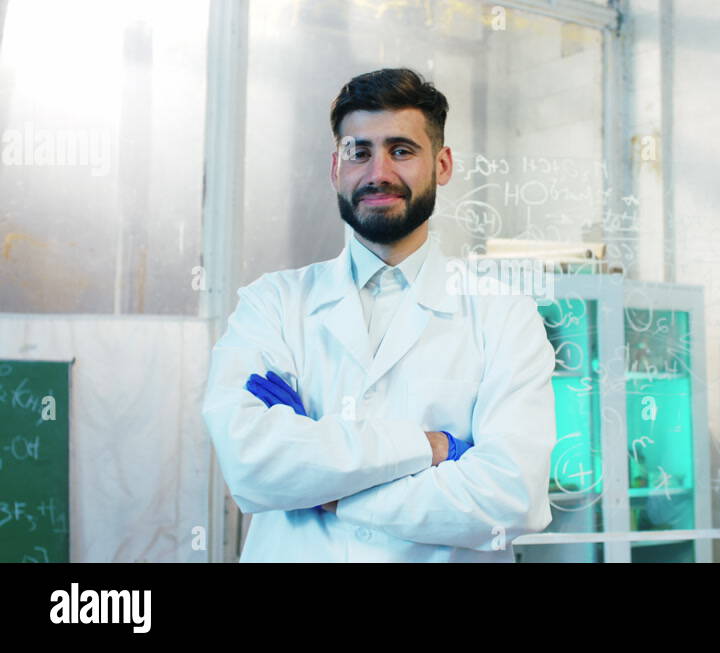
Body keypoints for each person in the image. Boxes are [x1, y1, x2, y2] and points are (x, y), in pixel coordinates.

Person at [201, 68, 557, 562]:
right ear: (335, 167)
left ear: (443, 164)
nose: (378, 173)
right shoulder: (272, 304)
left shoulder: (503, 315)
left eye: (402, 150)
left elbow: (511, 499)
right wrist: (430, 448)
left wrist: (323, 486)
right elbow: (253, 465)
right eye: (359, 152)